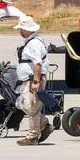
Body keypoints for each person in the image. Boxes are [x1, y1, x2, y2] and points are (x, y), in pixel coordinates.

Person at [15, 17, 52, 147]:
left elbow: (37, 63)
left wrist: (36, 81)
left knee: (32, 107)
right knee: (26, 106)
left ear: (26, 30)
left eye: (21, 29)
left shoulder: (33, 43)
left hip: (33, 79)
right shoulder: (32, 41)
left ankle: (32, 137)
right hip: (29, 78)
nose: (19, 31)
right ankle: (45, 125)